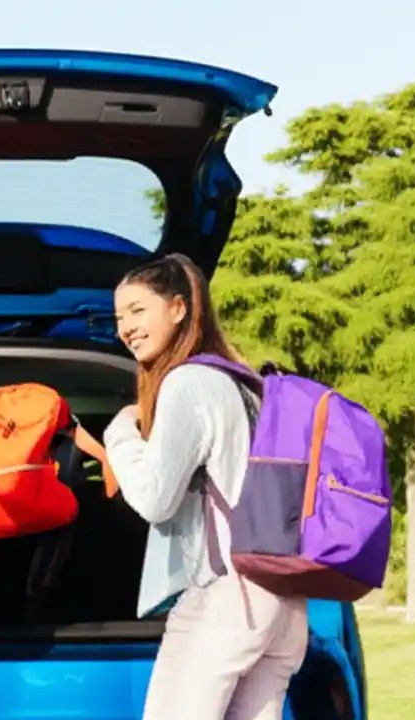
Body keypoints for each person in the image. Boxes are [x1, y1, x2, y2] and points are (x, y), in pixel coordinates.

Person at [104, 254, 308, 720]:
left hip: (228, 598)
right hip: (283, 600)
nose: (126, 328)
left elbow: (156, 498)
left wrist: (121, 434)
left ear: (178, 308)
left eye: (138, 311)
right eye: (119, 317)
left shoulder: (188, 382)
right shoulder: (247, 384)